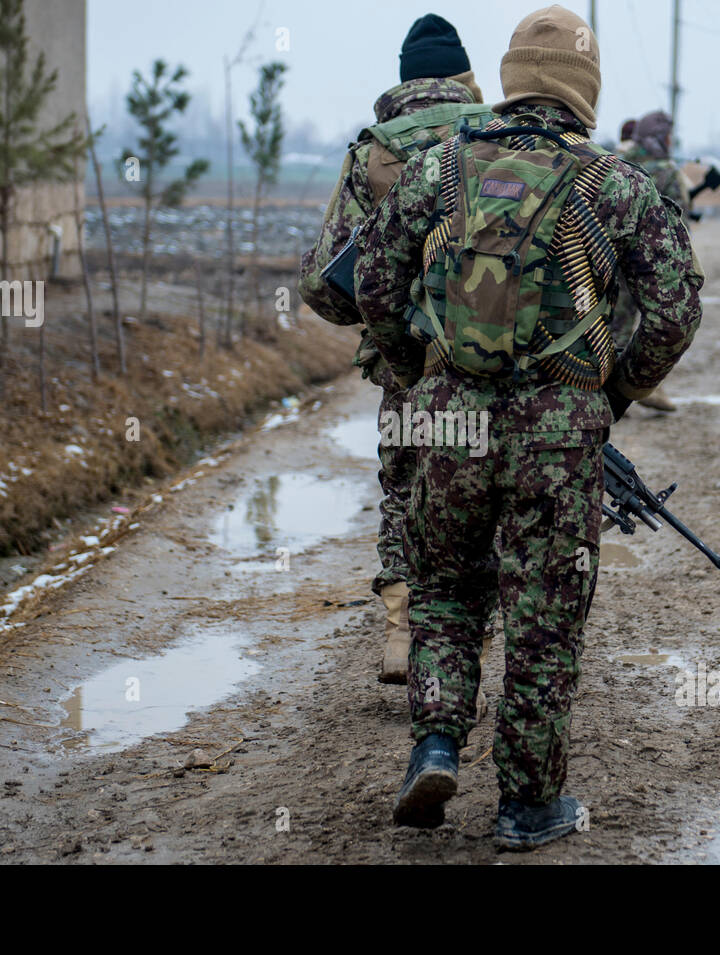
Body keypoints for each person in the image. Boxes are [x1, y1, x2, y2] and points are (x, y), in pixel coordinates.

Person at [353, 4, 703, 850]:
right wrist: (613, 391)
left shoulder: (438, 169)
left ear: (510, 77)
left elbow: (371, 283)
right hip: (558, 429)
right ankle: (526, 805)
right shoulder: (614, 183)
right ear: (584, 88)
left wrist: (416, 371)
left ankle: (436, 740)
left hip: (448, 422)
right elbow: (676, 307)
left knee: (442, 588)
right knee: (544, 613)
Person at [298, 14, 494, 688]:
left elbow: (324, 286)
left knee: (407, 491)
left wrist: (380, 311)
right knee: (487, 494)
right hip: (498, 365)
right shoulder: (500, 137)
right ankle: (470, 639)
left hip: (407, 365)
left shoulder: (375, 154)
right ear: (465, 77)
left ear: (405, 78)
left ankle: (403, 632)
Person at [613, 109, 693, 412]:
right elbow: (680, 218)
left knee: (615, 326)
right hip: (654, 265)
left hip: (615, 259)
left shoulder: (618, 164)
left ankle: (609, 394)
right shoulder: (668, 171)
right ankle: (639, 389)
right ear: (660, 137)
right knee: (659, 326)